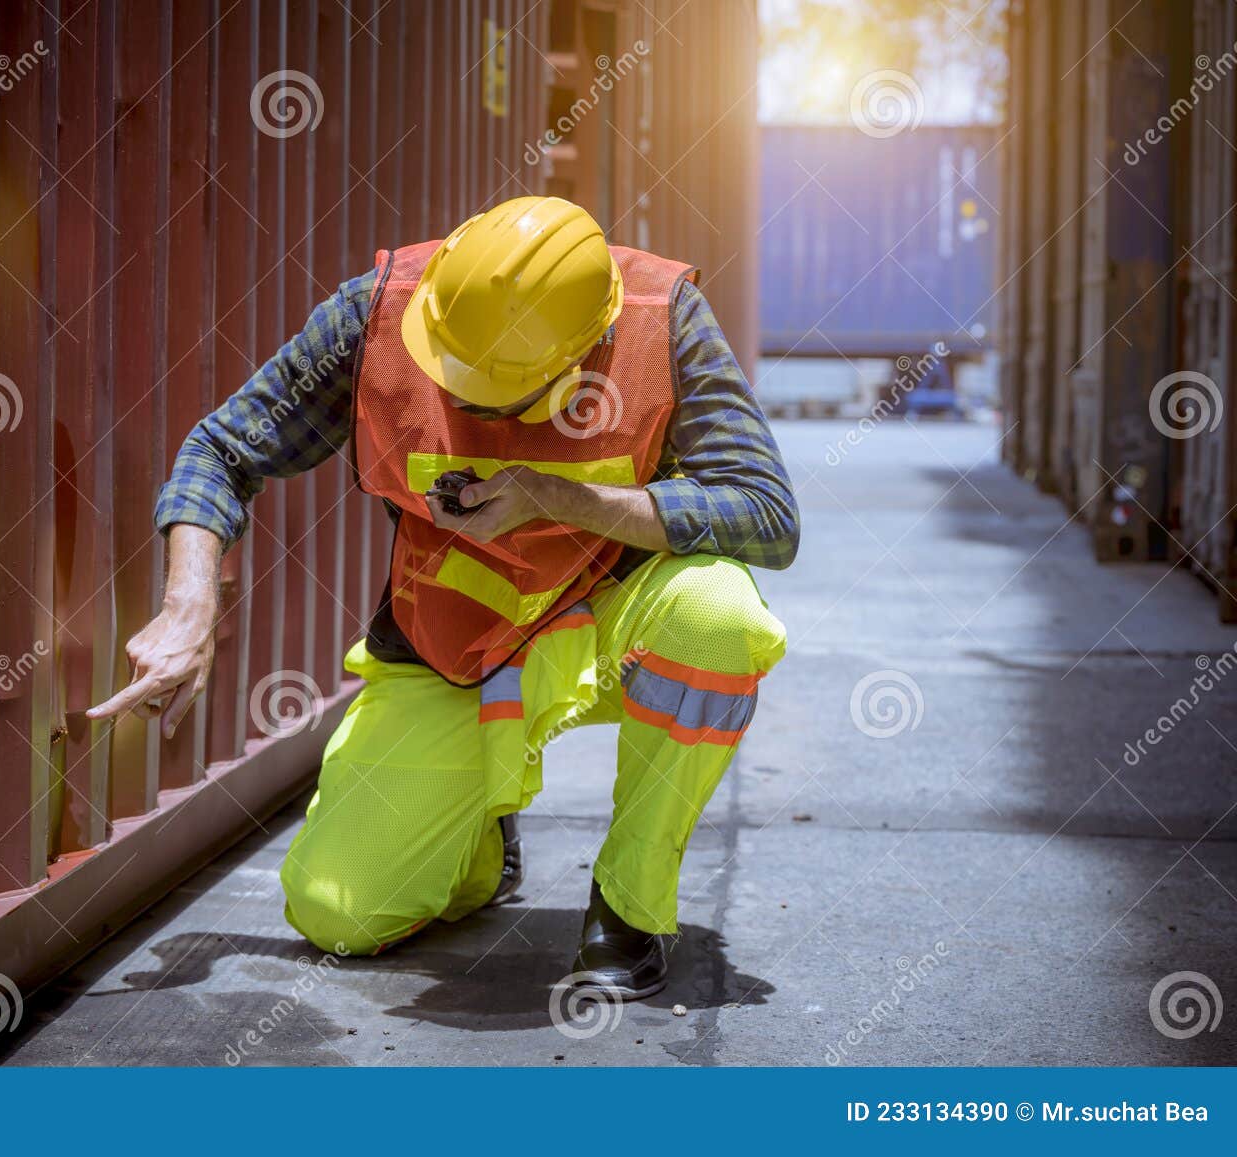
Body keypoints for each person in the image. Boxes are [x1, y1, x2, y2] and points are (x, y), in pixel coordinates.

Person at [89, 196, 798, 998]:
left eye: (494, 397)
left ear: (587, 348)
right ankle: (482, 847)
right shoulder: (375, 312)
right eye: (449, 377)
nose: (461, 406)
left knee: (719, 618)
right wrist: (190, 603)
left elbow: (767, 515)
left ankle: (629, 904)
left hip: (614, 617)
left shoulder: (660, 320)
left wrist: (561, 496)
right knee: (339, 913)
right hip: (454, 641)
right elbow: (221, 447)